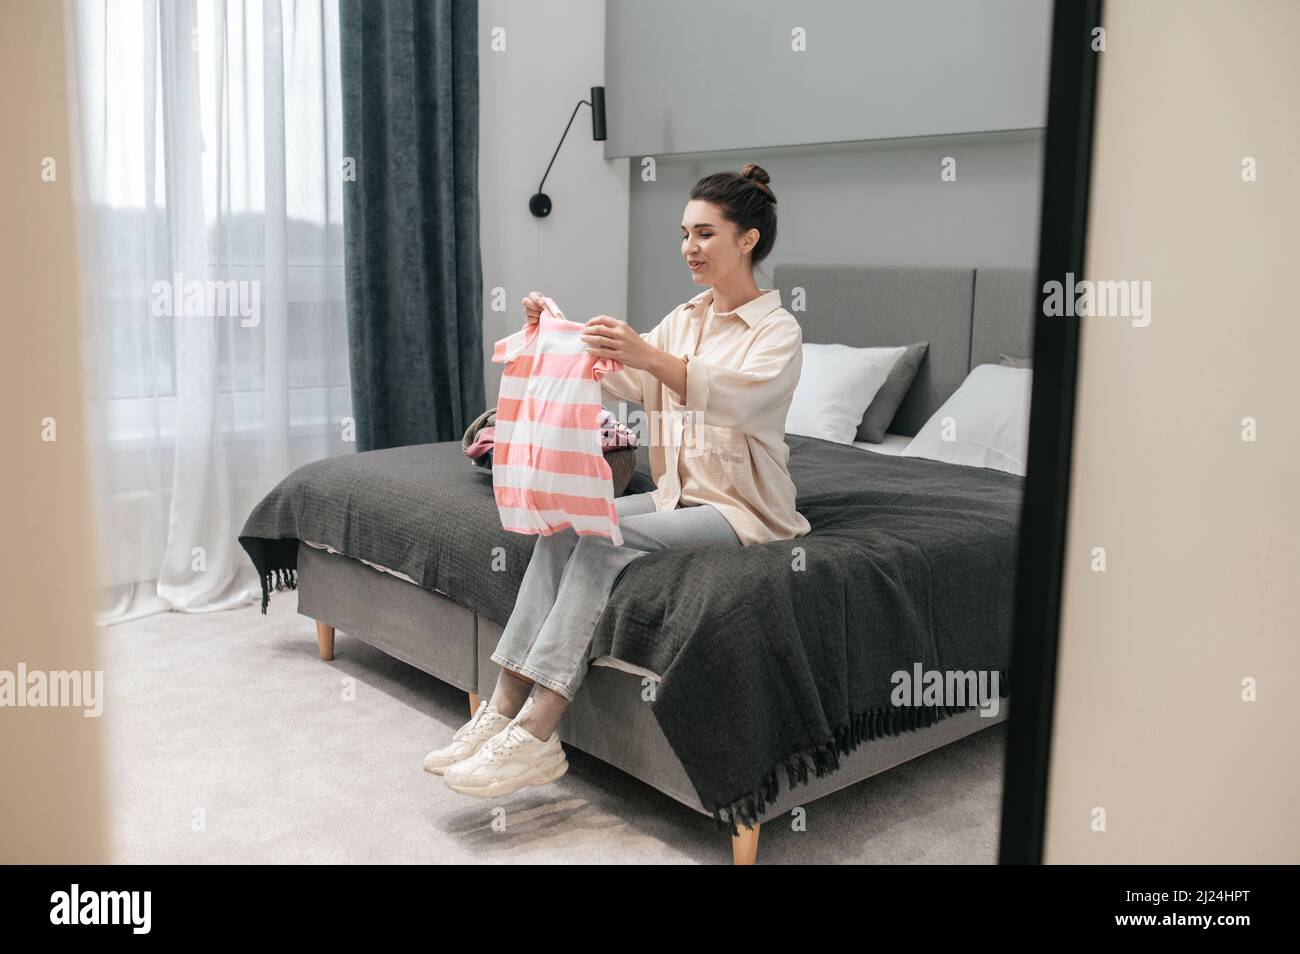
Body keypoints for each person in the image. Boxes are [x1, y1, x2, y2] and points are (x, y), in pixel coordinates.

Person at [426, 164, 812, 799]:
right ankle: (500, 710)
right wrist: (555, 333)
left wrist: (647, 354)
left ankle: (541, 732)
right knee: (563, 528)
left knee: (603, 540)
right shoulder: (685, 319)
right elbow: (626, 375)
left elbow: (739, 399)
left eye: (706, 233)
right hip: (675, 501)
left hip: (744, 513)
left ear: (747, 240)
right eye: (684, 233)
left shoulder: (778, 331)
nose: (689, 247)